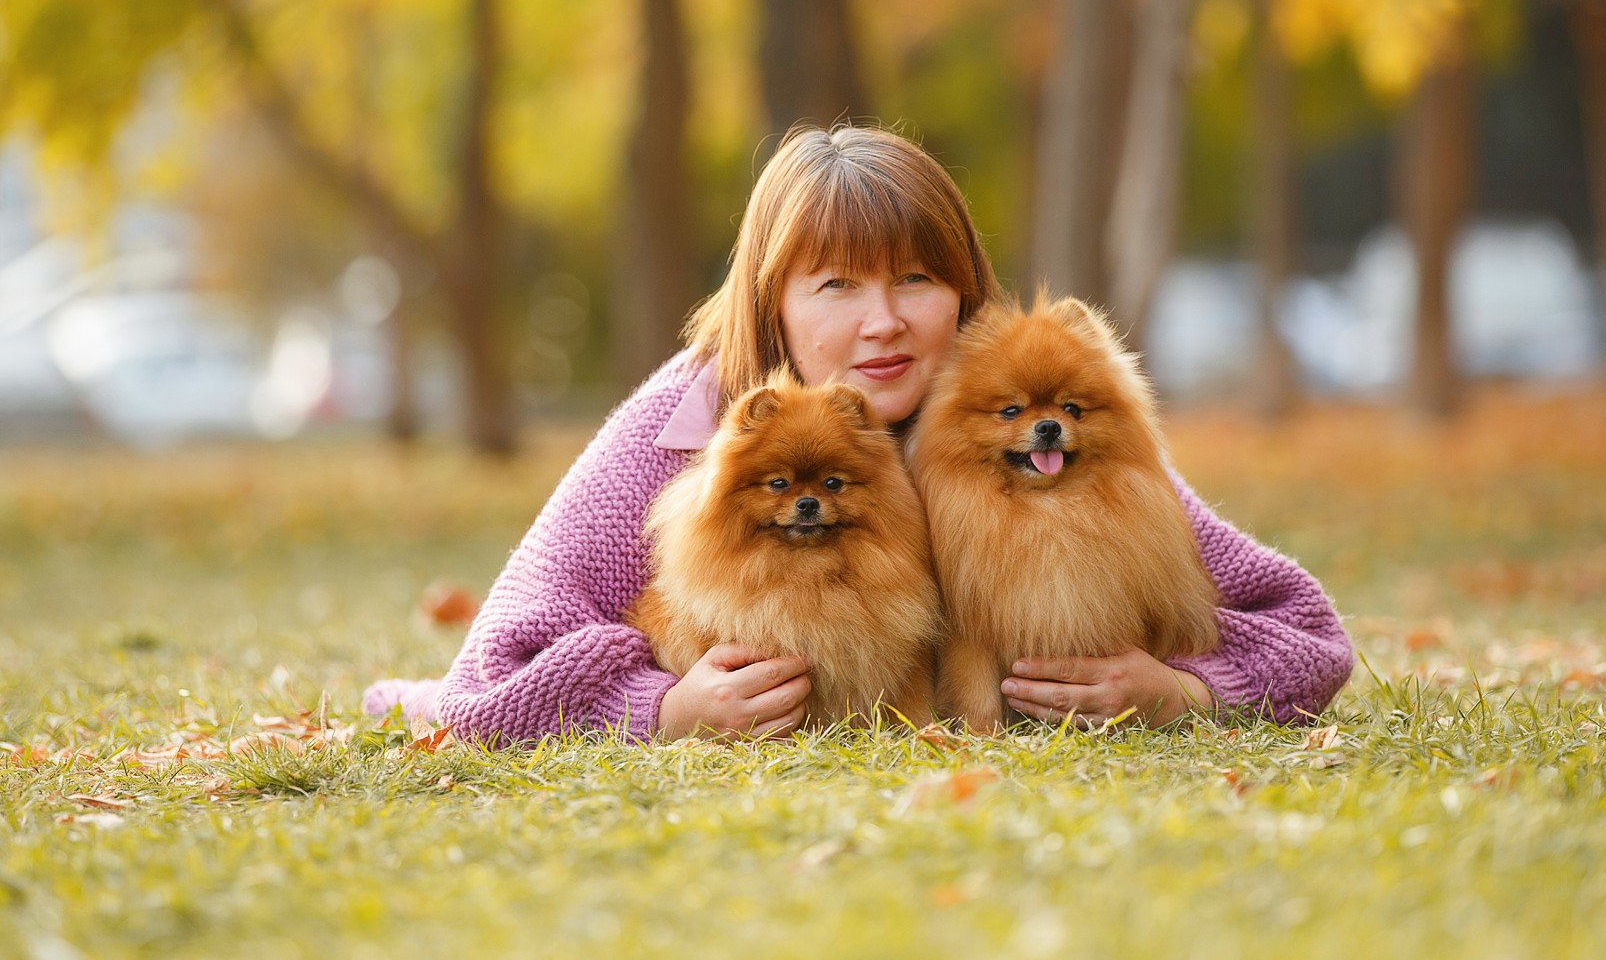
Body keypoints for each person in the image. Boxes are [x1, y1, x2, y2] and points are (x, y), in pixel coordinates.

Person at [362, 125, 1353, 741]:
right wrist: (656, 712)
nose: (884, 321)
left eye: (916, 280)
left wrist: (1185, 690)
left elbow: (1307, 634)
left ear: (962, 287)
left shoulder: (1017, 429)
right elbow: (499, 665)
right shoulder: (689, 421)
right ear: (775, 302)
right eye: (837, 285)